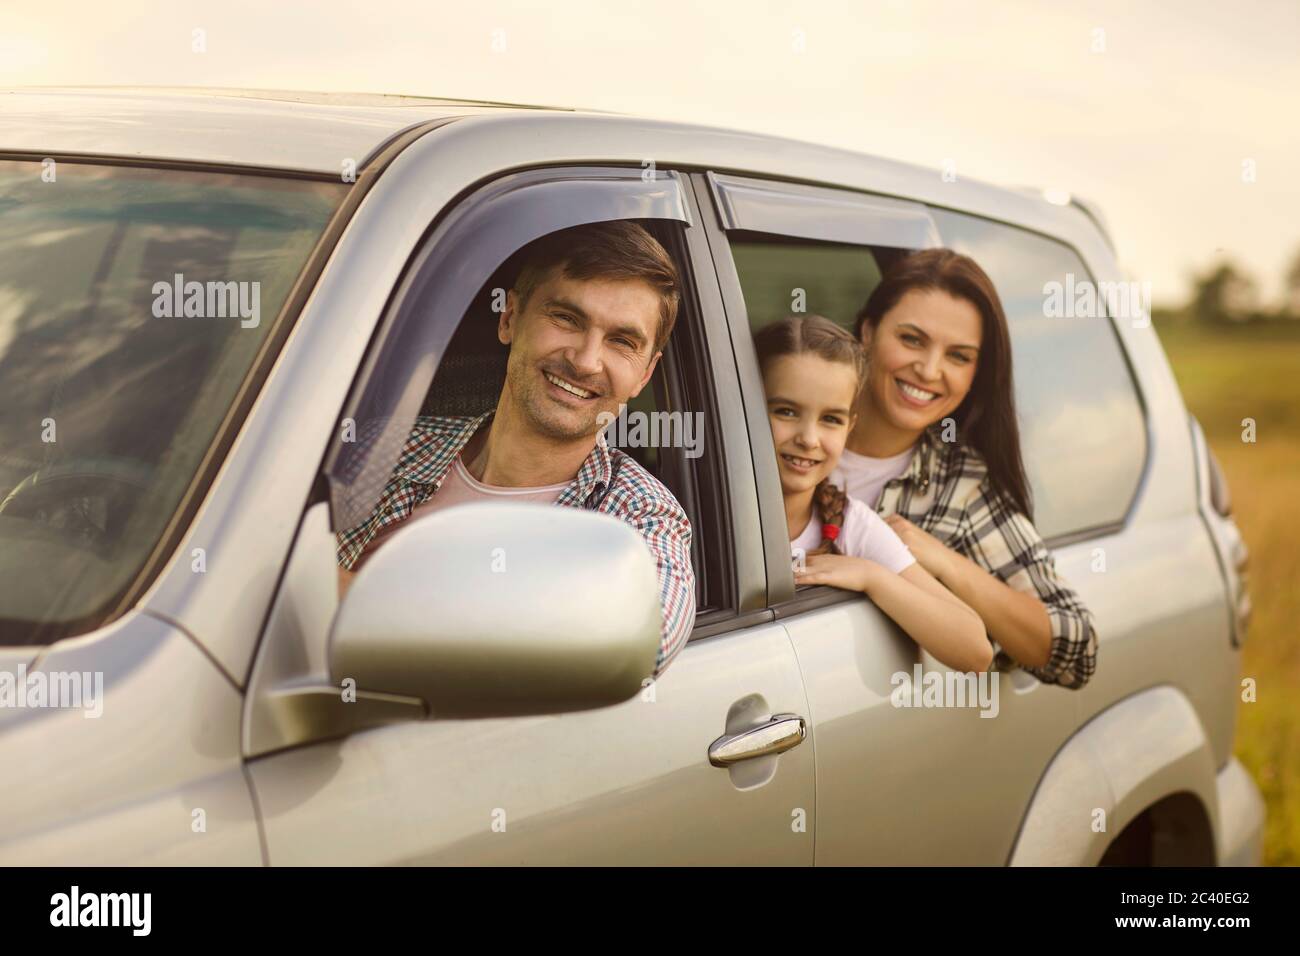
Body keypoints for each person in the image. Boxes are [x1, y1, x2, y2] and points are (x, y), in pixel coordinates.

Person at [335, 221, 695, 677]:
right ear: (509, 319)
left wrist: (344, 597)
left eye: (622, 342)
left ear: (644, 374)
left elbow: (639, 646)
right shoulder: (383, 448)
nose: (585, 361)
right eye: (566, 318)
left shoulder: (640, 516)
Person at [834, 248, 1098, 688]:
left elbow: (1076, 653)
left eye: (958, 356)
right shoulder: (771, 435)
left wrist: (946, 562)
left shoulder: (962, 486)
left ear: (977, 372)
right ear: (867, 331)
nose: (929, 369)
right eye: (912, 339)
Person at [756, 314, 990, 673]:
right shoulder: (696, 511)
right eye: (786, 411)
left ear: (850, 425)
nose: (809, 438)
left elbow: (975, 649)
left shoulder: (851, 524)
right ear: (747, 410)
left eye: (830, 419)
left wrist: (872, 577)